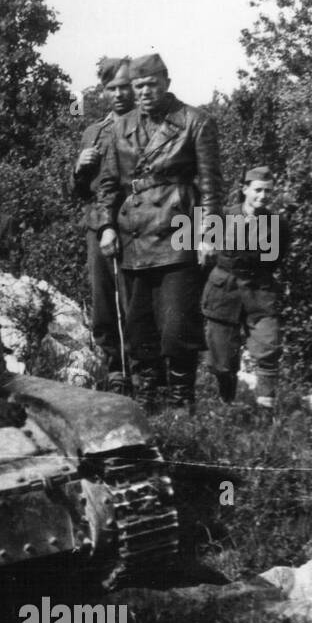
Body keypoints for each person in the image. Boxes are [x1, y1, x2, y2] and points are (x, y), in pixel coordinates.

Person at [96, 52, 222, 411]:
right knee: (140, 326)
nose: (145, 92)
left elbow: (212, 185)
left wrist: (208, 234)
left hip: (179, 227)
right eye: (139, 86)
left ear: (166, 82)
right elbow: (107, 185)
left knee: (177, 323)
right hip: (133, 233)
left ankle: (182, 401)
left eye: (151, 84)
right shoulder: (121, 127)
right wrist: (106, 226)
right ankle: (149, 398)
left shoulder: (194, 121)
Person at [202, 166, 290, 410]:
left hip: (260, 292)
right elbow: (203, 254)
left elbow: (278, 257)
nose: (263, 196)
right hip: (223, 290)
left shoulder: (278, 224)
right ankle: (226, 406)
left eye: (268, 192)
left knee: (268, 349)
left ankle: (265, 413)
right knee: (222, 361)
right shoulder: (221, 217)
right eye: (258, 190)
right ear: (245, 190)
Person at [74, 57, 135, 393]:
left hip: (137, 224)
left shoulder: (148, 127)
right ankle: (115, 370)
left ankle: (141, 369)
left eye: (125, 85)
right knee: (102, 302)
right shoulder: (93, 132)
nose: (119, 93)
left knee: (135, 300)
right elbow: (79, 192)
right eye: (112, 88)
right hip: (97, 225)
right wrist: (78, 168)